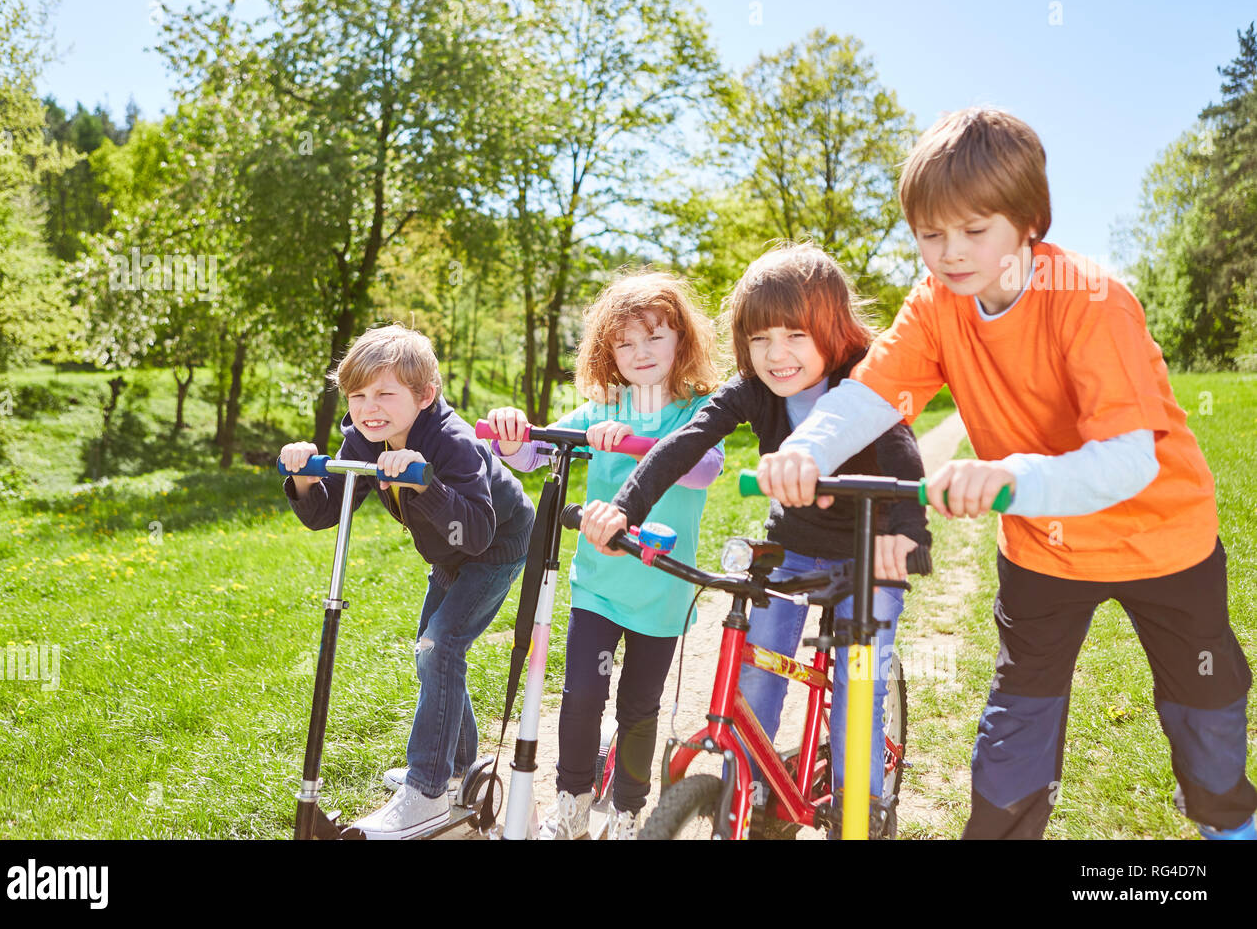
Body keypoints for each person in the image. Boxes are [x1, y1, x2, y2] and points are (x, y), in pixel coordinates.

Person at [758, 107, 1257, 839]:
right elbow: (870, 394)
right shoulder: (936, 305)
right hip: (1045, 550)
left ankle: (1229, 824)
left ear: (1027, 221)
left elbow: (1128, 458)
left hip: (1163, 542)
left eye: (974, 229)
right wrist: (809, 448)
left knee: (1204, 712)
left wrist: (1009, 475)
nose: (950, 253)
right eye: (931, 235)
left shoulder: (1092, 300)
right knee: (1017, 718)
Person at [579, 242, 931, 823]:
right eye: (761, 339)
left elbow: (903, 457)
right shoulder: (752, 390)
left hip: (873, 551)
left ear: (832, 331)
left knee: (857, 683)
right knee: (758, 669)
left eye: (796, 336)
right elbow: (683, 443)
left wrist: (907, 538)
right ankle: (753, 797)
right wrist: (624, 507)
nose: (777, 355)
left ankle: (858, 812)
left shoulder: (862, 385)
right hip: (793, 548)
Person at [488, 271, 724, 839]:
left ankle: (626, 813)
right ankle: (570, 804)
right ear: (607, 352)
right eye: (625, 343)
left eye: (655, 338)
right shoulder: (600, 408)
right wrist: (513, 434)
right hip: (598, 584)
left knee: (638, 709)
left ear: (681, 342)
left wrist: (645, 443)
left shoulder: (697, 410)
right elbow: (535, 453)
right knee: (583, 693)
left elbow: (704, 467)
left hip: (661, 591)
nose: (640, 353)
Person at [279, 323, 534, 839]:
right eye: (358, 395)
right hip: (447, 552)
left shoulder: (453, 442)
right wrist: (306, 477)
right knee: (430, 650)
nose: (370, 407)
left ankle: (426, 790)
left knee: (441, 647)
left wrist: (424, 480)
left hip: (495, 547)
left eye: (385, 394)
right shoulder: (363, 439)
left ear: (426, 395)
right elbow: (329, 512)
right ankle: (459, 763)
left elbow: (479, 534)